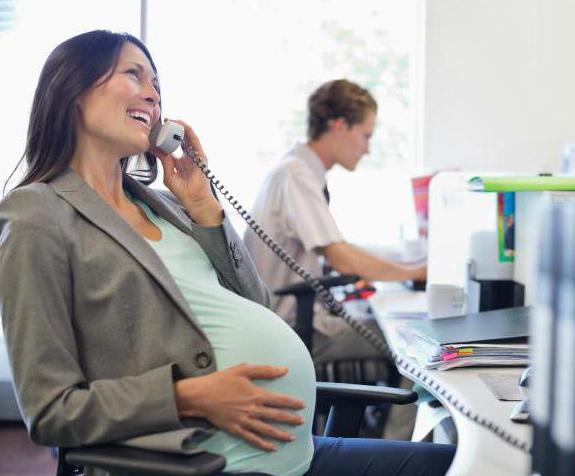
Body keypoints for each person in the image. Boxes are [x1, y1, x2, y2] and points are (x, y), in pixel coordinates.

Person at [0, 30, 454, 476]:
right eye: (134, 76)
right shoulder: (37, 215)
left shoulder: (167, 204)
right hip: (204, 460)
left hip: (293, 451)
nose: (152, 95)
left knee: (460, 464)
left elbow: (258, 306)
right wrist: (189, 396)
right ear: (72, 89)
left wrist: (204, 206)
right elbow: (51, 412)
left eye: (156, 84)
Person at [243, 80, 426, 431]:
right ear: (339, 126)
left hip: (297, 317)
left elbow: (335, 248)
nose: (368, 149)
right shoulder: (295, 175)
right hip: (295, 326)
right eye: (366, 136)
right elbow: (340, 256)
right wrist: (415, 271)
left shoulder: (299, 171)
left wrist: (404, 263)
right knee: (414, 346)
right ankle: (394, 455)